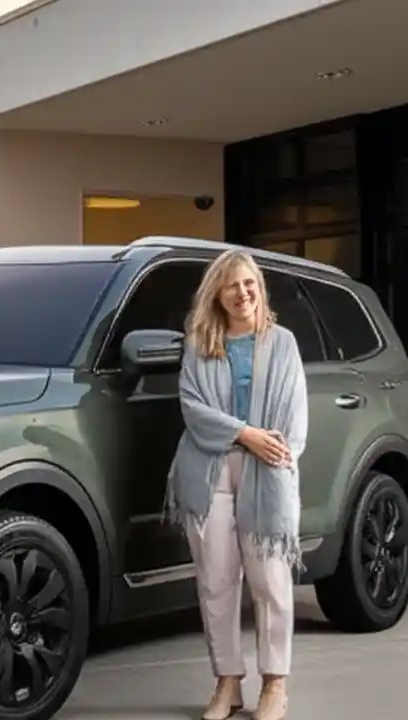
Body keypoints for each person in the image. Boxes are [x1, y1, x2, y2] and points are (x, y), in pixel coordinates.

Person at [166, 249, 308, 720]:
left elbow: (292, 417)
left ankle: (275, 683)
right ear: (218, 295)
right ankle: (227, 682)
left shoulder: (282, 342)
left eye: (249, 284)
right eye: (232, 286)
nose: (242, 293)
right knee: (216, 582)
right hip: (209, 471)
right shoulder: (200, 342)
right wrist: (244, 433)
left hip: (266, 473)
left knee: (270, 580)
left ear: (259, 289)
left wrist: (266, 446)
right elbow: (193, 408)